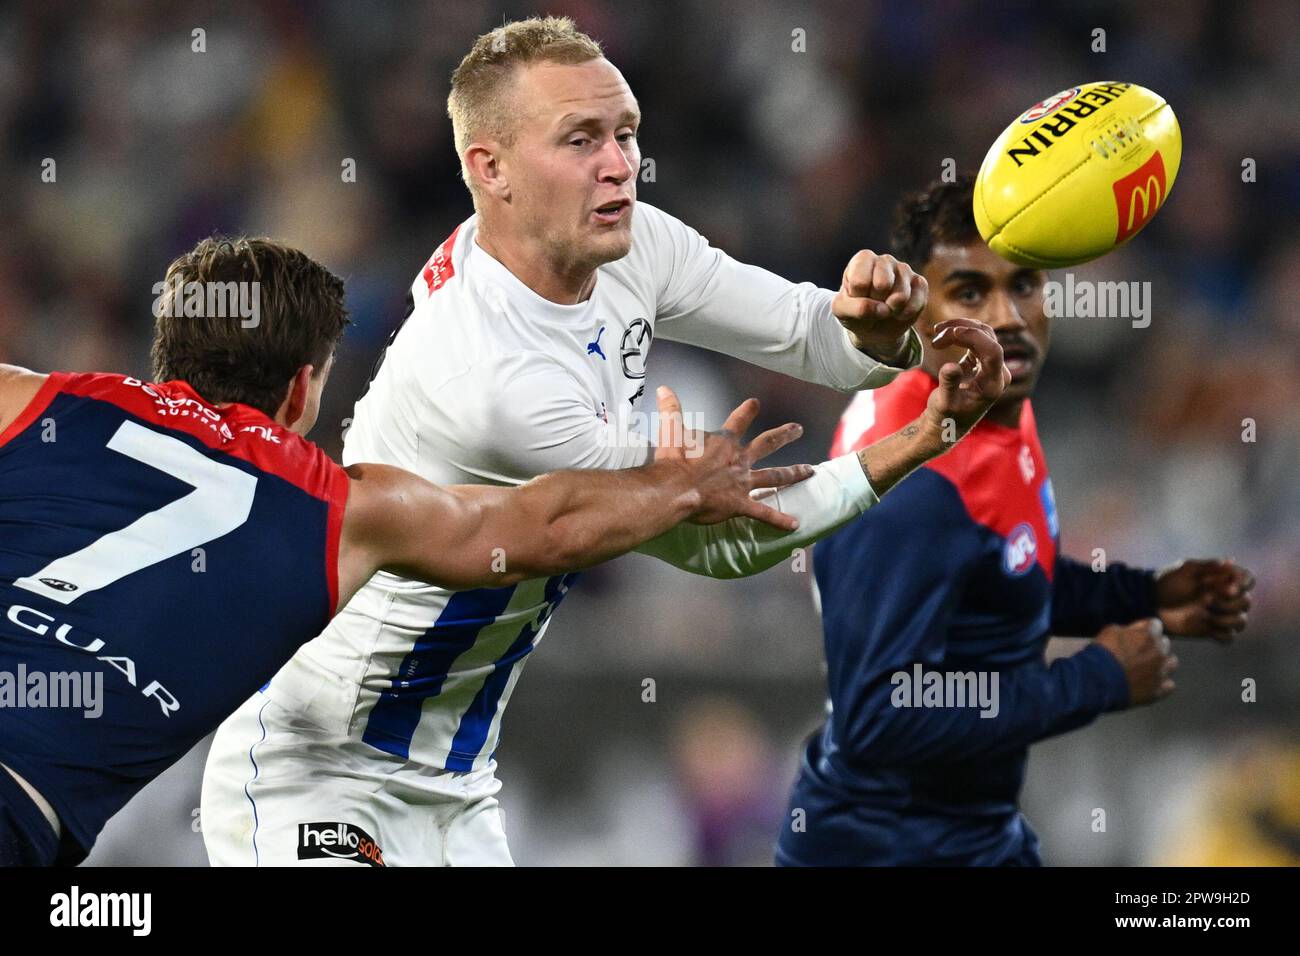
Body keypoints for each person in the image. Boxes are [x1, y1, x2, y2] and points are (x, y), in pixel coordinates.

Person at [200, 16, 1010, 866]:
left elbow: (812, 333)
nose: (619, 163)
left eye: (625, 133)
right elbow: (723, 544)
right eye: (580, 139)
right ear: (491, 168)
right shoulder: (488, 378)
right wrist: (921, 438)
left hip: (457, 781)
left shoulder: (632, 244)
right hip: (317, 768)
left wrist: (884, 334)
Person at [0, 234, 821, 867]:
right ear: (303, 388)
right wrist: (678, 485)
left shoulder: (32, 398)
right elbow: (543, 527)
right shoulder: (343, 508)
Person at [776, 175, 1256, 867]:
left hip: (965, 834)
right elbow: (878, 714)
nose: (1006, 316)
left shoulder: (992, 407)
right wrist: (1093, 682)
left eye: (1024, 285)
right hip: (881, 848)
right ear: (915, 311)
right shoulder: (908, 486)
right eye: (969, 292)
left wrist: (1143, 595)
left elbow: (1006, 572)